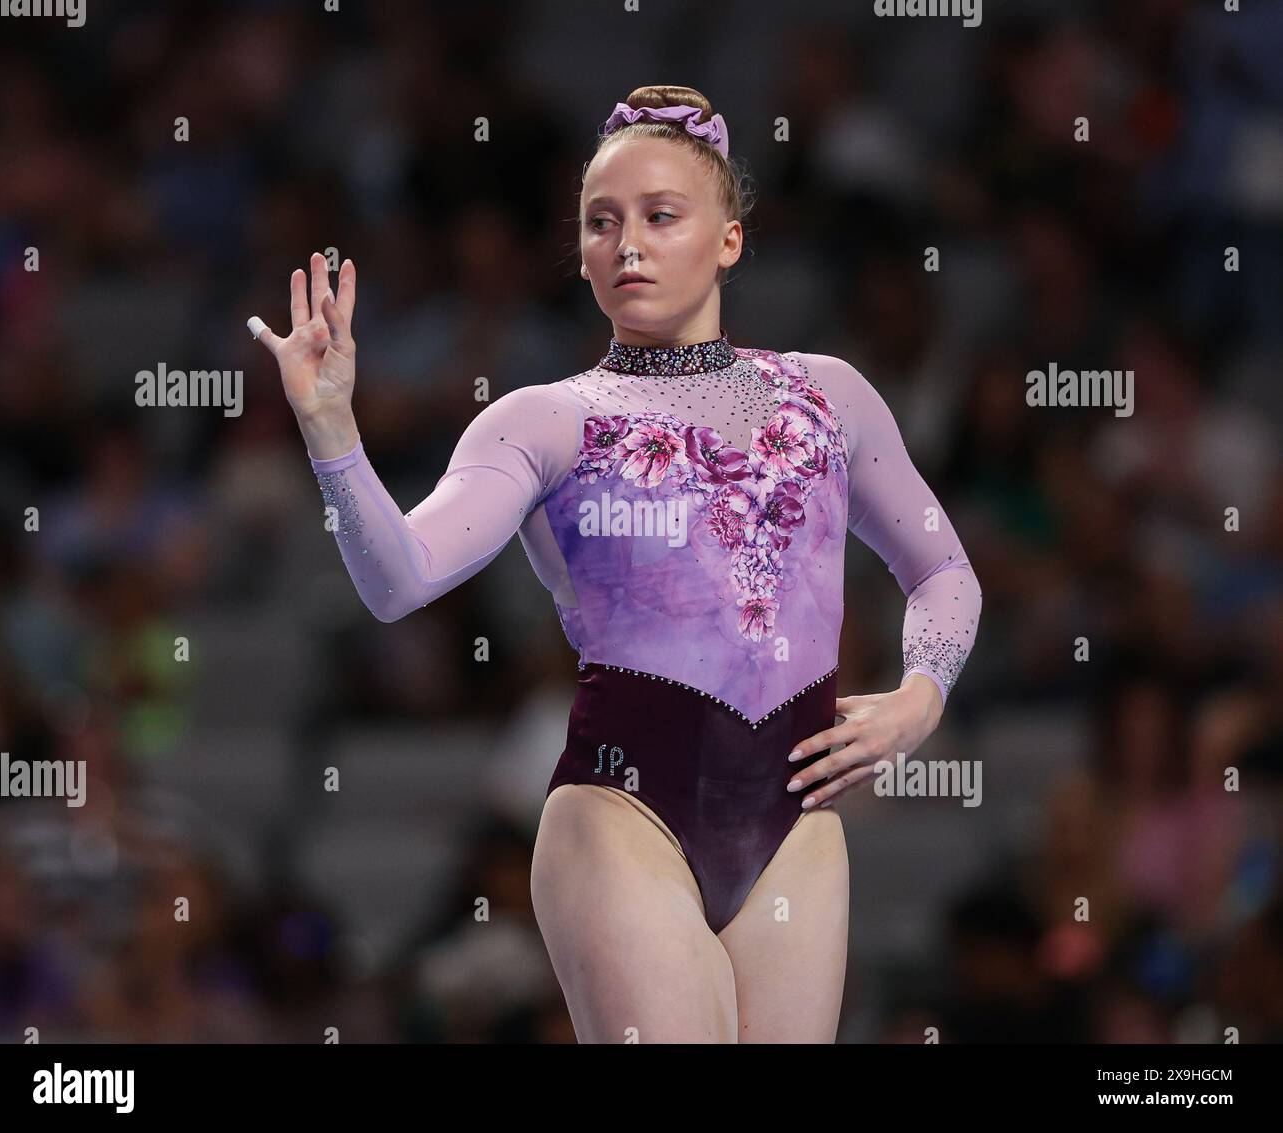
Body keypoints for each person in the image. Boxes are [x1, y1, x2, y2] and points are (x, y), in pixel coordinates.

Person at [249, 85, 982, 1043]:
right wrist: (332, 430)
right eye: (602, 222)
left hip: (796, 828)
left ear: (729, 238)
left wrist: (920, 697)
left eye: (659, 216)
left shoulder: (829, 397)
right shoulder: (543, 420)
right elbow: (399, 581)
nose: (625, 242)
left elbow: (945, 572)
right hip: (622, 812)